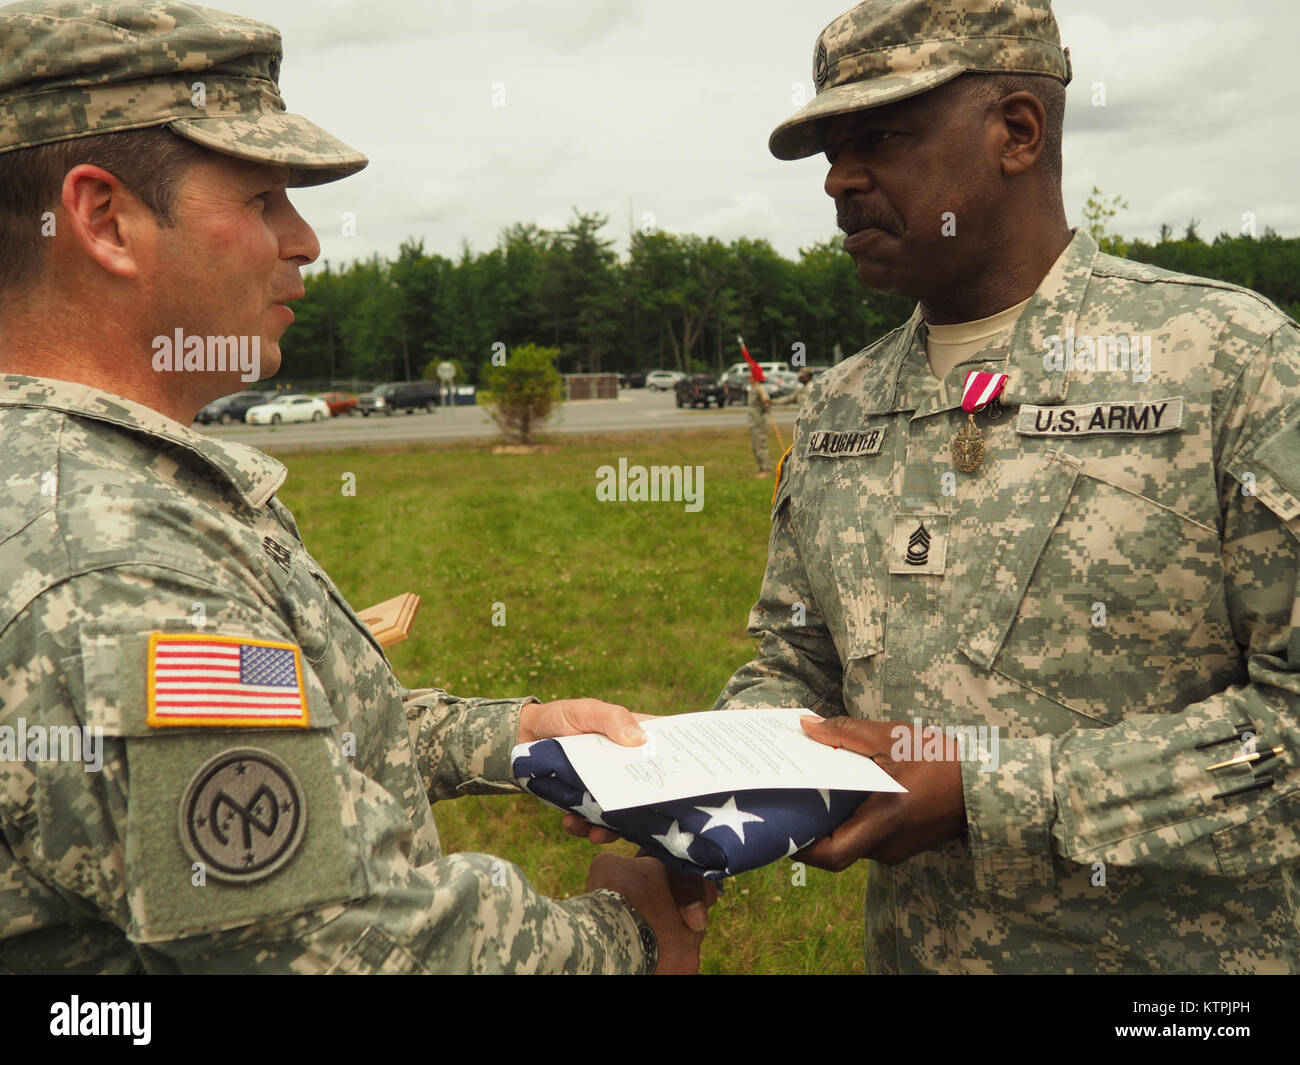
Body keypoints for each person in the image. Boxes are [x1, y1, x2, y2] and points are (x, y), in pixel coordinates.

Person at [0, 0, 710, 974]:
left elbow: (274, 711)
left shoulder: (97, 485)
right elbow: (339, 941)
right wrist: (627, 941)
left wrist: (506, 738)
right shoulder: (114, 559)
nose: (305, 242)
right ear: (105, 219)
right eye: (262, 202)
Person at [711, 0, 1300, 972]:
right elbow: (796, 661)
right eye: (829, 148)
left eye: (881, 137)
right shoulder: (840, 407)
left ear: (1017, 131)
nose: (838, 181)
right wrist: (707, 768)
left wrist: (983, 790)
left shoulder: (1228, 367)